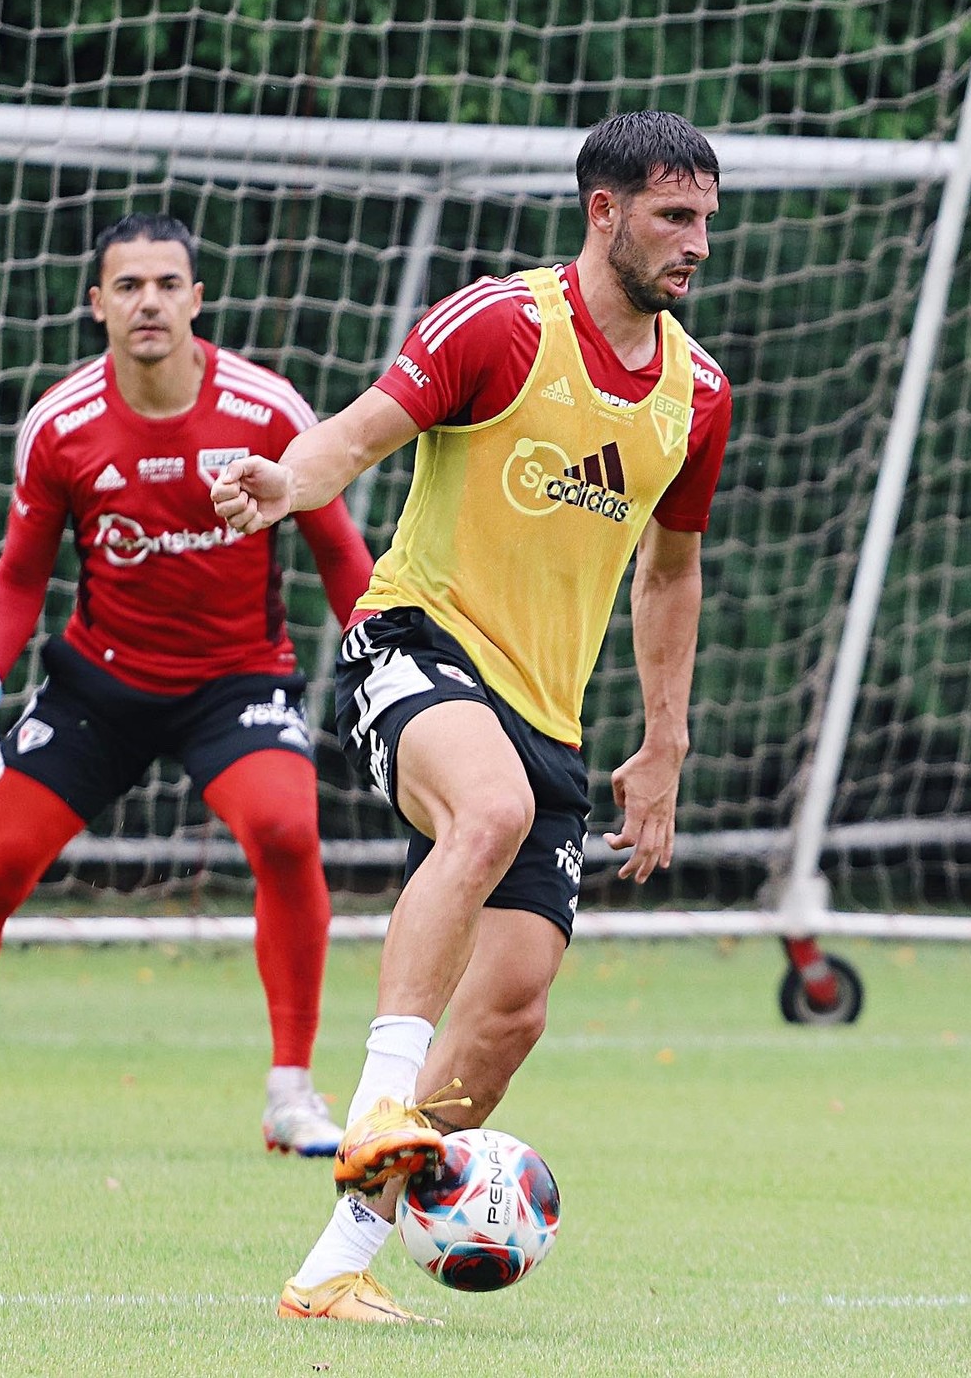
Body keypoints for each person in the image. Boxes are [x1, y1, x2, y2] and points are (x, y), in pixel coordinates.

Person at [211, 111, 733, 1322]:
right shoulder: (501, 324)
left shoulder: (698, 392)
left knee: (509, 1014)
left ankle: (333, 1269)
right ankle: (378, 1100)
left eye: (707, 220)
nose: (697, 243)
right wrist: (286, 480)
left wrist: (665, 741)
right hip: (417, 645)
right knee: (486, 809)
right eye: (674, 217)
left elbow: (671, 574)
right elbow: (357, 433)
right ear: (604, 211)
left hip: (552, 718)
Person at [0, 213, 374, 1159]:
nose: (149, 302)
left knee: (287, 831)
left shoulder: (268, 410)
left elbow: (338, 548)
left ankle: (292, 1095)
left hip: (237, 684)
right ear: (97, 303)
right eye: (129, 286)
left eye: (168, 284)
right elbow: (21, 573)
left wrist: (382, 660)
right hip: (96, 689)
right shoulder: (61, 424)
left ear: (197, 299)